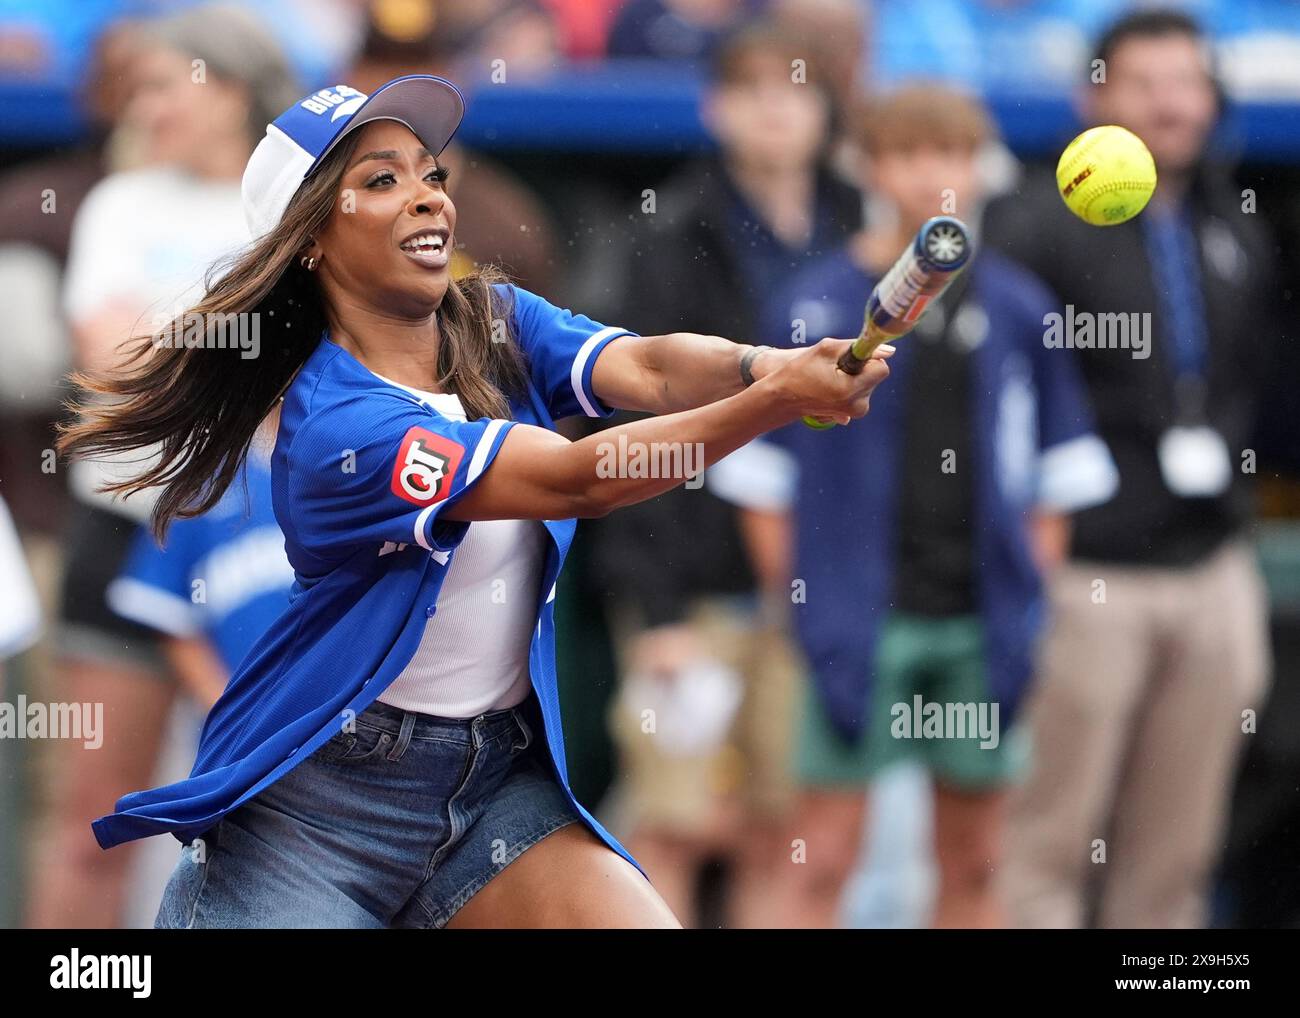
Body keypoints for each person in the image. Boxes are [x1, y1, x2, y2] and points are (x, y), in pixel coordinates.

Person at [56, 73, 892, 929]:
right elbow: (583, 478)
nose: (426, 198)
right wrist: (783, 401)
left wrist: (769, 366)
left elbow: (647, 367)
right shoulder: (340, 424)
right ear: (308, 239)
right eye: (382, 181)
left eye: (431, 174)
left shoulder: (488, 317)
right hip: (314, 815)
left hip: (492, 786)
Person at [712, 83, 1117, 928]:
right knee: (817, 858)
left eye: (953, 153)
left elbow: (1055, 482)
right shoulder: (812, 304)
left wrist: (1023, 596)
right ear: (870, 168)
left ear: (980, 170)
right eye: (908, 153)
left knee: (973, 863)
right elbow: (765, 488)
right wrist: (803, 603)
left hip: (979, 624)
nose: (933, 174)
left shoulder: (1019, 308)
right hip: (854, 626)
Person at [983, 9, 1278, 928]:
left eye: (1187, 83)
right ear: (1094, 100)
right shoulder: (1030, 228)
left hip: (1213, 567)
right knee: (1047, 839)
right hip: (1085, 574)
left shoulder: (1238, 225)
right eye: (1145, 84)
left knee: (1179, 849)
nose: (1169, 105)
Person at [26, 5, 299, 930]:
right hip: (122, 531)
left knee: (287, 822)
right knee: (92, 824)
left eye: (163, 84)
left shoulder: (293, 211)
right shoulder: (117, 203)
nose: (143, 107)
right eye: (134, 87)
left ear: (229, 91)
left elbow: (300, 372)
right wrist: (232, 351)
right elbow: (105, 362)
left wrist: (171, 337)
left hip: (267, 546)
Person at [594, 18, 862, 927]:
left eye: (796, 89)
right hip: (691, 585)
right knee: (670, 823)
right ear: (715, 106)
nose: (775, 111)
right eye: (752, 90)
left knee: (779, 828)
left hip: (820, 584)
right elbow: (631, 420)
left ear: (828, 109)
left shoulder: (869, 235)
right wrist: (657, 611)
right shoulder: (664, 235)